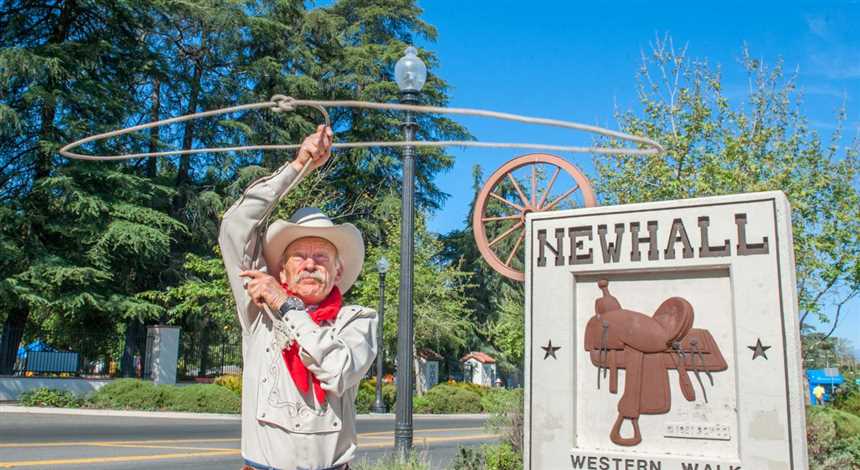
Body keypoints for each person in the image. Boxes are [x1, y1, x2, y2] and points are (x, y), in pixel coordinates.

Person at [219, 125, 378, 470]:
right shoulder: (259, 310)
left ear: (337, 272)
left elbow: (337, 371)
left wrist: (288, 306)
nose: (309, 264)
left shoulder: (358, 320)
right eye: (298, 257)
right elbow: (235, 227)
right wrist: (299, 166)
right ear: (283, 272)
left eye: (321, 257)